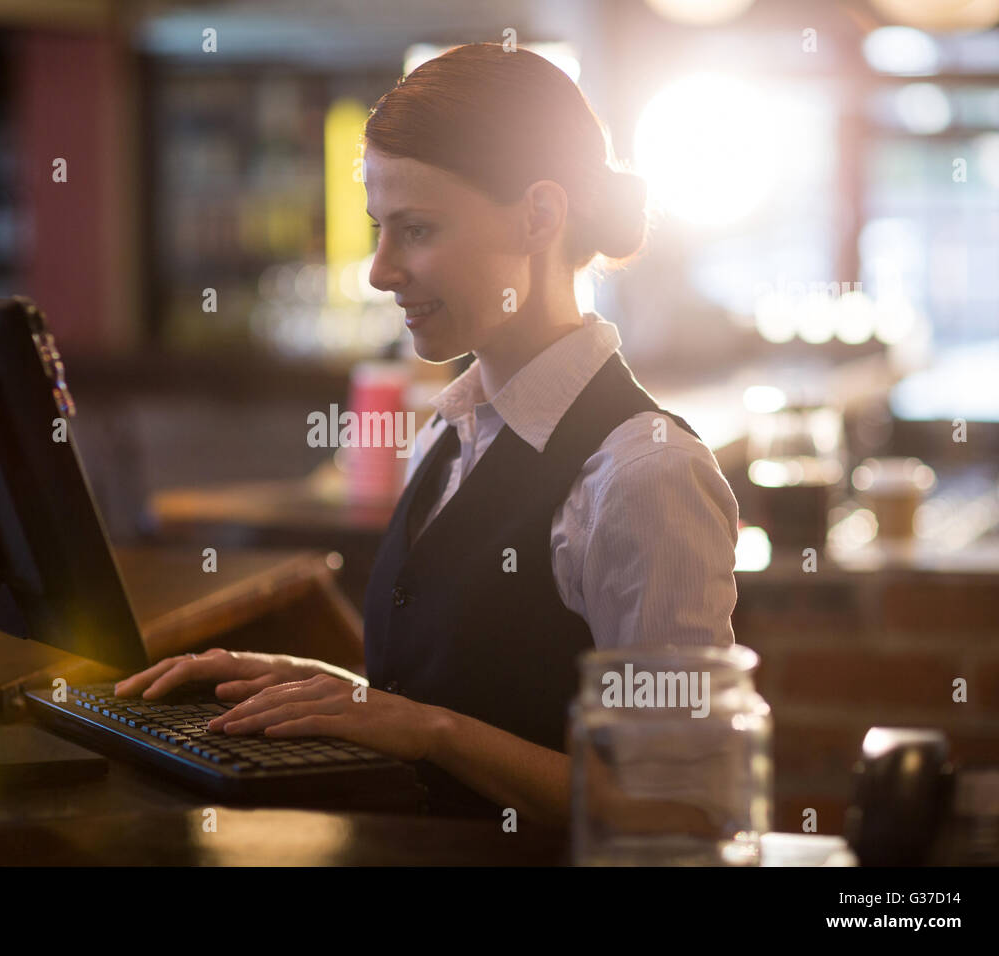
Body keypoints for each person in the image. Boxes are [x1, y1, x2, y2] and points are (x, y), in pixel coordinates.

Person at [116, 42, 739, 826]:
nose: (379, 270)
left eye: (415, 229)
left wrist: (431, 732)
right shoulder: (451, 431)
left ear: (540, 216)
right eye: (381, 227)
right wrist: (321, 682)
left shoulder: (646, 477)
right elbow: (461, 688)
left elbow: (686, 818)